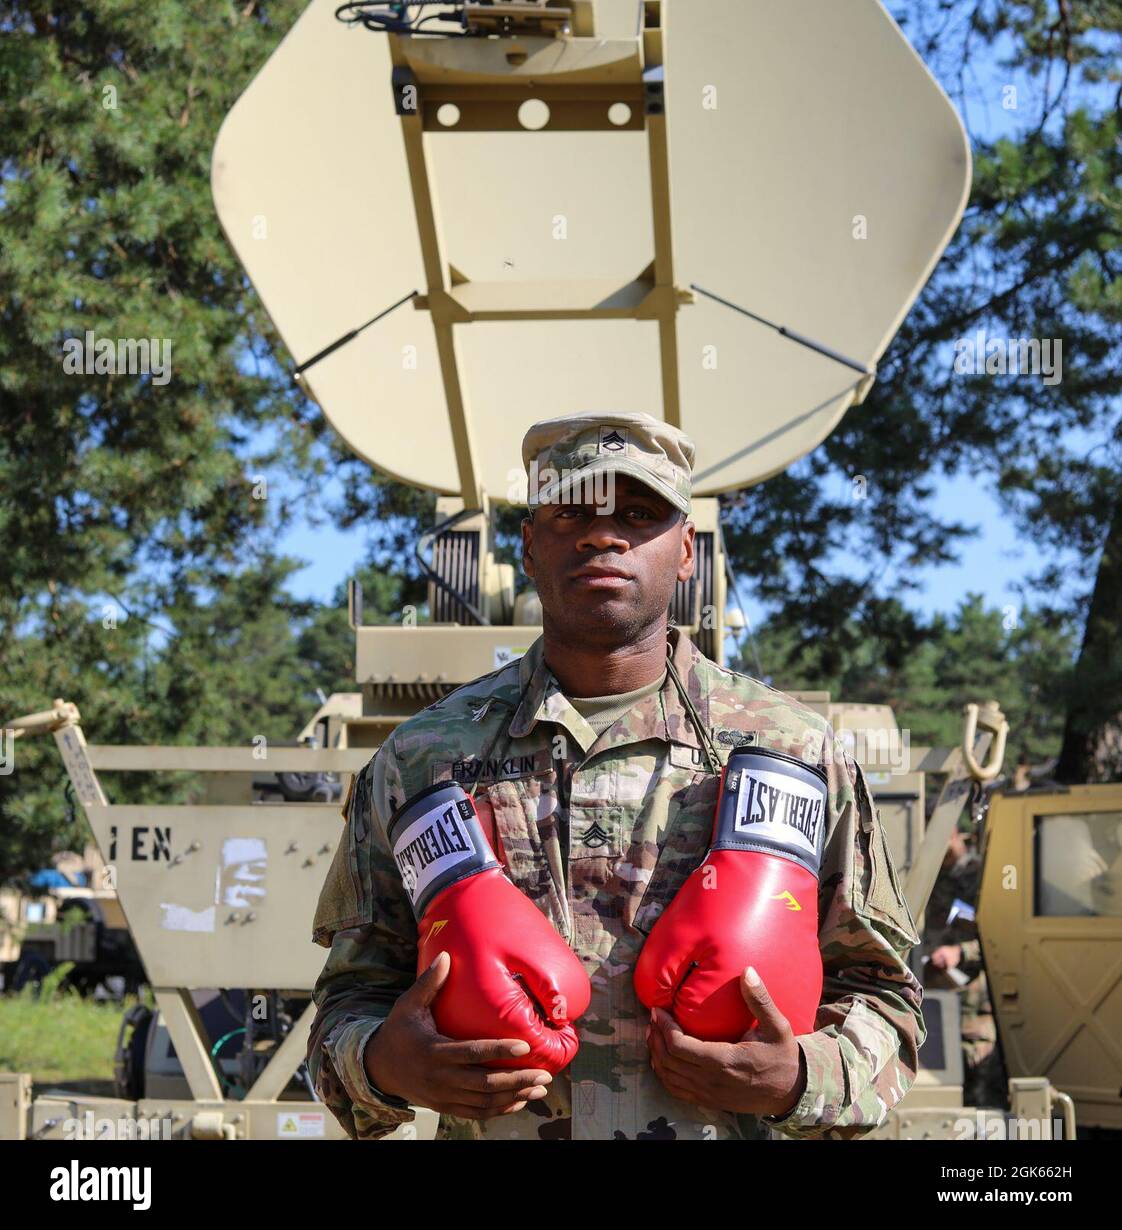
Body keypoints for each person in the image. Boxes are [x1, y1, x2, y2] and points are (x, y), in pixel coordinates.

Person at [307, 411, 925, 1141]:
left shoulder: (795, 753)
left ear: (686, 550)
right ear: (530, 546)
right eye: (572, 513)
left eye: (637, 513)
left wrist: (799, 1079)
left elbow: (886, 1002)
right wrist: (383, 1064)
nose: (603, 535)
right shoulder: (419, 763)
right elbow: (348, 1002)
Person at [924, 823, 1005, 1109]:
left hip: (975, 1016)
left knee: (983, 1107)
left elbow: (1004, 940)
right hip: (936, 1011)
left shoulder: (983, 875)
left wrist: (960, 952)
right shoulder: (927, 877)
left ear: (952, 830)